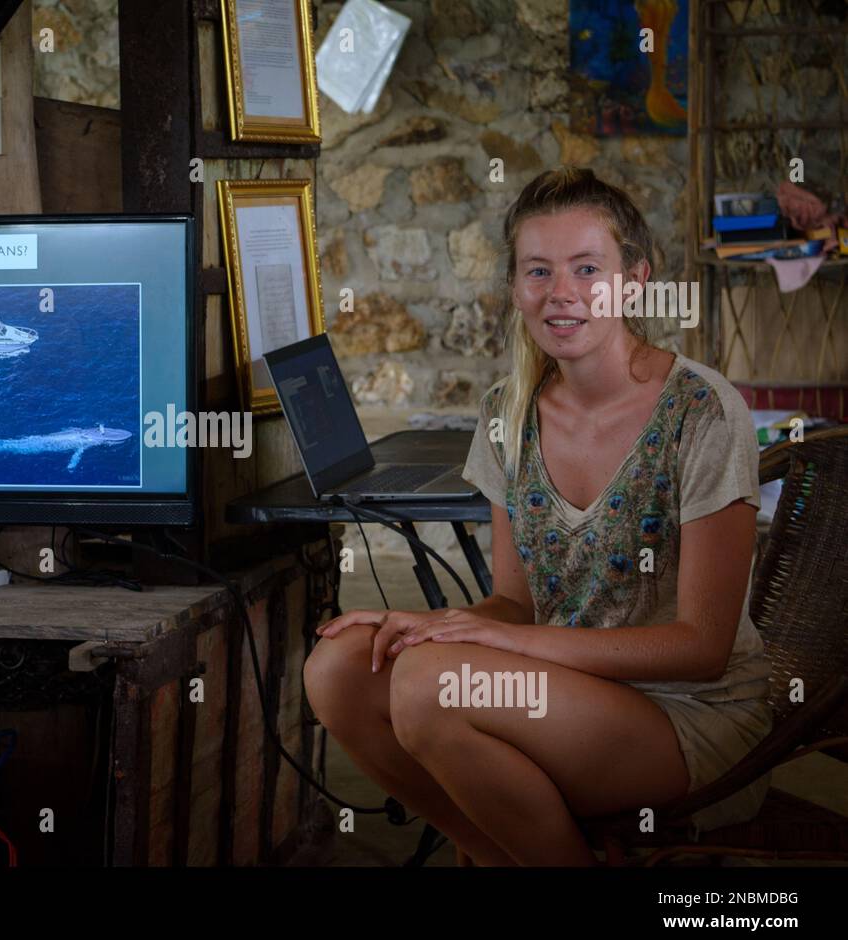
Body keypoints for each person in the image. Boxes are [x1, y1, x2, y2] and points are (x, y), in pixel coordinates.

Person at [305, 166, 772, 866]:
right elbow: (515, 604)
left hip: (689, 715)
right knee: (339, 666)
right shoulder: (505, 413)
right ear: (516, 287)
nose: (562, 294)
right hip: (568, 695)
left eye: (588, 268)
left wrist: (511, 649)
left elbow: (701, 648)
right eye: (538, 270)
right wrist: (429, 625)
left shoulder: (702, 410)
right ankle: (503, 855)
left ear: (635, 280)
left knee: (435, 685)